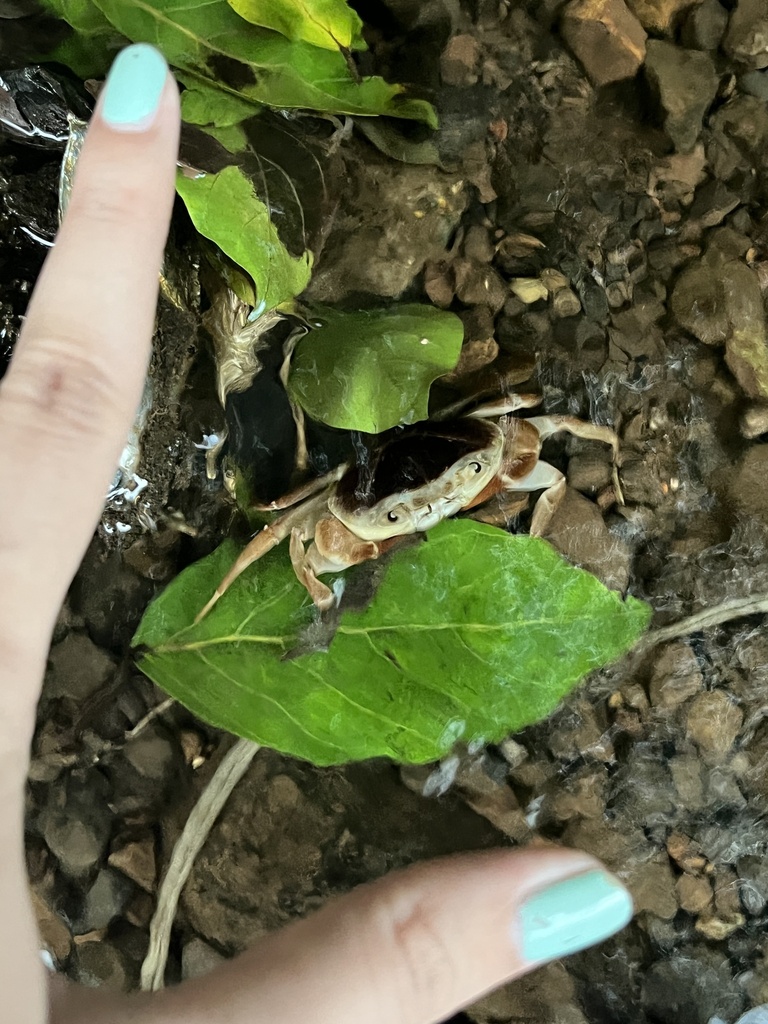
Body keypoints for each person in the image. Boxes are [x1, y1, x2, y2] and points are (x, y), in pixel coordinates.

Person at [0, 43, 634, 1024]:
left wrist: (502, 487)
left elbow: (536, 432)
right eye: (397, 517)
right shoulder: (339, 508)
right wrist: (321, 588)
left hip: (448, 452)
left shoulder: (486, 441)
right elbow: (292, 542)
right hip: (361, 485)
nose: (414, 522)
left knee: (526, 451)